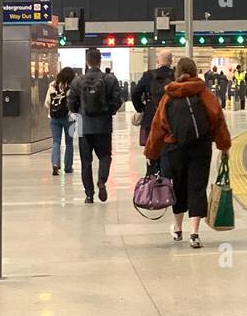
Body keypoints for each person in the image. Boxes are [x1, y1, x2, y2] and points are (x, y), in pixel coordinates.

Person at [145, 57, 231, 248]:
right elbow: (218, 120)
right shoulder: (204, 94)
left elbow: (157, 126)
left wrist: (151, 153)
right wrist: (224, 147)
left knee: (179, 186)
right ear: (194, 72)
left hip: (174, 147)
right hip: (200, 146)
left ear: (177, 73)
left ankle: (177, 228)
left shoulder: (169, 95)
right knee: (197, 187)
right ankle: (194, 233)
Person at [69, 47, 124, 204]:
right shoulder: (109, 79)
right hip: (103, 125)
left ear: (87, 62)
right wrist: (109, 112)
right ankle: (102, 180)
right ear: (100, 61)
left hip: (83, 125)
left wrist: (78, 113)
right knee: (105, 156)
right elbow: (117, 100)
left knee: (86, 161)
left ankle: (89, 194)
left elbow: (71, 102)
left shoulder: (78, 80)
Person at [131, 51, 175, 153]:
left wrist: (142, 108)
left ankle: (151, 167)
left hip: (151, 116)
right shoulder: (175, 75)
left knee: (151, 149)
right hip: (170, 117)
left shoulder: (148, 75)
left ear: (157, 60)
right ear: (171, 61)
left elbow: (135, 93)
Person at [45, 67, 77, 175]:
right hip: (70, 118)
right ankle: (68, 167)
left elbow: (47, 103)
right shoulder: (73, 87)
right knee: (69, 143)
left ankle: (55, 163)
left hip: (54, 118)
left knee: (56, 142)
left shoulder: (52, 85)